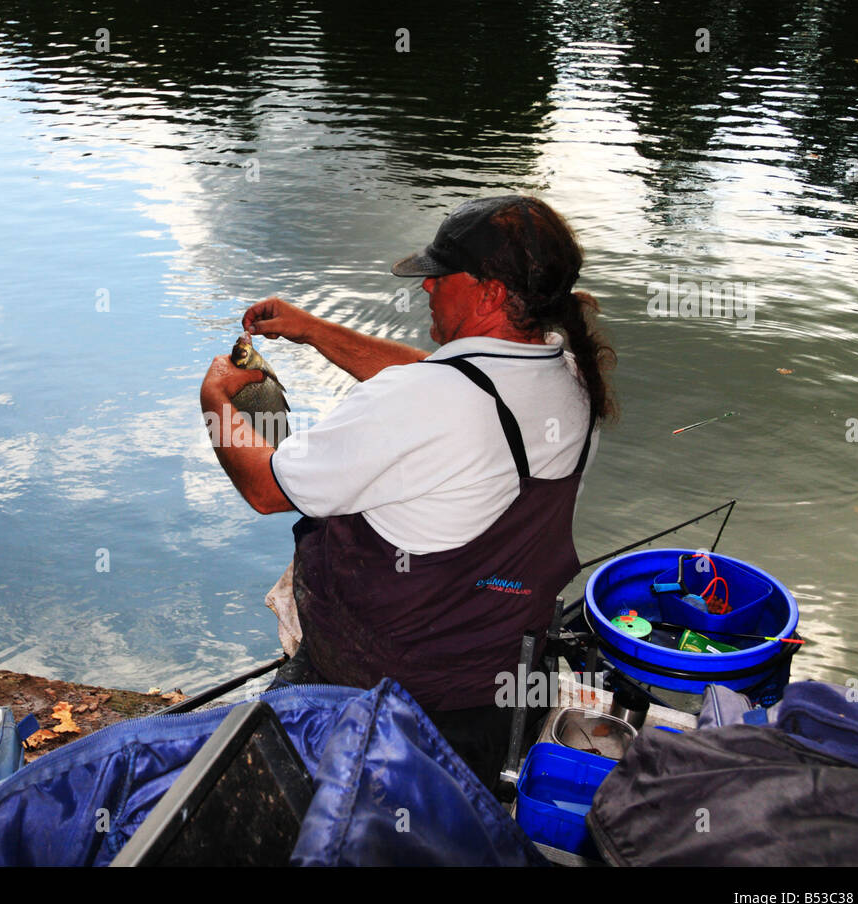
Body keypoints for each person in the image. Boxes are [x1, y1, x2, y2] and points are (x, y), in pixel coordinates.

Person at [199, 194, 617, 787]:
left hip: (377, 692)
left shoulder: (422, 403)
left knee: (244, 793)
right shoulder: (569, 377)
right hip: (484, 694)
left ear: (490, 294)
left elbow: (267, 488)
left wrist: (216, 400)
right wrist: (313, 331)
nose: (426, 288)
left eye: (439, 276)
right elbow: (442, 376)